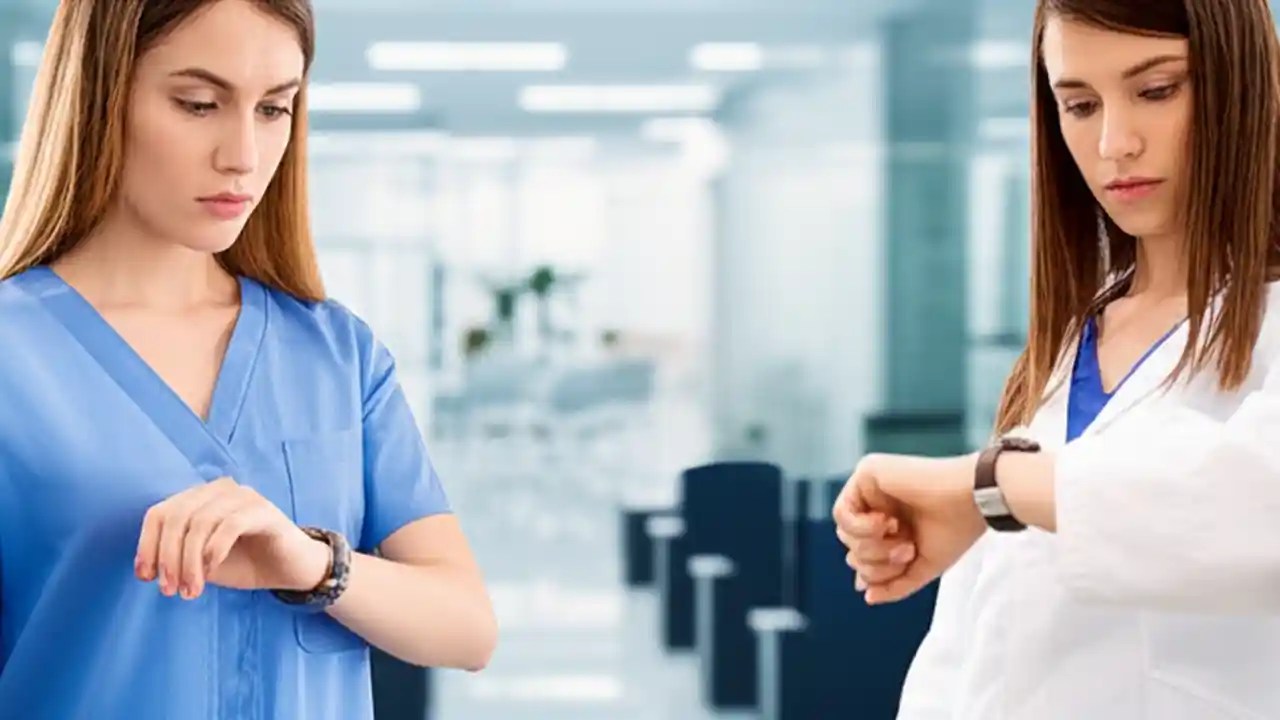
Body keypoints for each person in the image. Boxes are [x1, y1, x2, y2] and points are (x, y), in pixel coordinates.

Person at [0, 1, 496, 718]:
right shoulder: (16, 357)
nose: (243, 155)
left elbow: (467, 626)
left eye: (273, 109)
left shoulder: (337, 354)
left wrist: (311, 563)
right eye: (199, 104)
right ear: (99, 98)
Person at [833, 0, 1280, 718]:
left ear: (1241, 84)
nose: (1114, 143)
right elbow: (975, 647)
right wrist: (982, 503)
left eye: (1157, 90)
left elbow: (1253, 509)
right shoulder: (1070, 344)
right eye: (1078, 103)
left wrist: (990, 486)